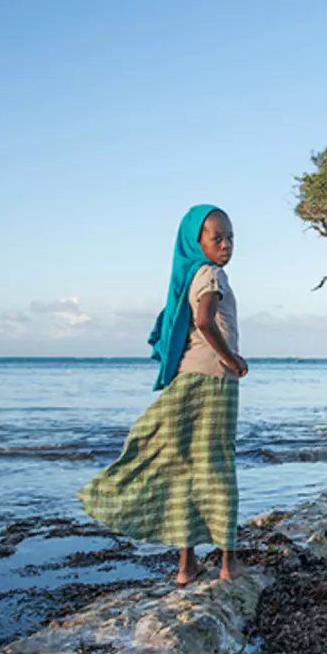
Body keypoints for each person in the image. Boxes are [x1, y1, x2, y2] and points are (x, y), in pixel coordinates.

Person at [78, 205, 247, 585]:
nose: (225, 245)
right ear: (196, 241)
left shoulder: (187, 276)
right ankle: (228, 564)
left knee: (185, 469)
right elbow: (204, 322)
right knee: (219, 466)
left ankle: (186, 568)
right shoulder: (211, 274)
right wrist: (231, 359)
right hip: (214, 382)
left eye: (230, 238)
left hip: (187, 380)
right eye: (216, 238)